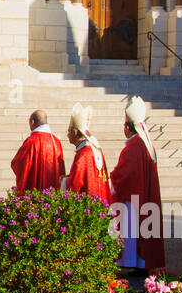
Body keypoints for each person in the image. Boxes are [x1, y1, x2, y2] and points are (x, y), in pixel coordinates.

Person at [111, 95, 165, 271]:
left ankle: (134, 263)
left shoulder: (134, 147)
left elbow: (126, 174)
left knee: (132, 232)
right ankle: (140, 264)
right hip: (143, 195)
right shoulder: (145, 144)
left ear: (128, 127)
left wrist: (112, 178)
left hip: (133, 198)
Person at [10, 109, 64, 193]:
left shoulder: (31, 141)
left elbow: (17, 163)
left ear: (32, 122)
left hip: (34, 190)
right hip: (52, 194)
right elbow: (61, 169)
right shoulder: (56, 141)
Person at [65, 103, 109, 202]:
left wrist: (63, 182)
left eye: (68, 131)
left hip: (87, 204)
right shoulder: (95, 147)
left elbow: (75, 184)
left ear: (75, 132)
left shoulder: (83, 154)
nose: (67, 135)